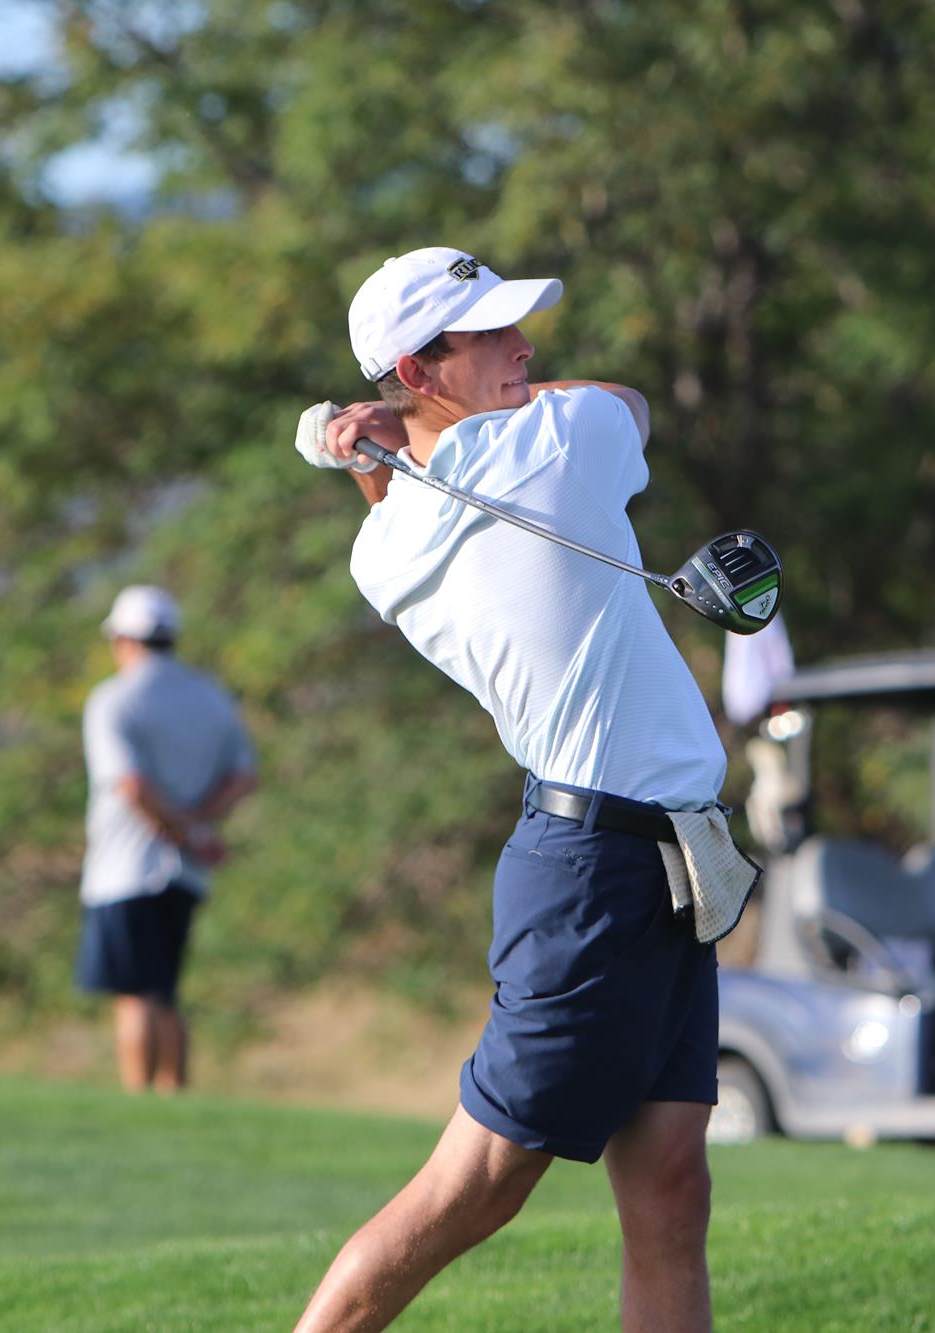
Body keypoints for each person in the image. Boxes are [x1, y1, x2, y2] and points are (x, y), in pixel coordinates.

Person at [289, 247, 748, 1332]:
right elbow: (621, 402)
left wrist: (369, 436)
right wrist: (394, 431)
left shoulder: (383, 545)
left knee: (672, 1189)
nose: (522, 346)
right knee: (476, 1185)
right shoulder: (560, 442)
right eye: (490, 334)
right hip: (593, 873)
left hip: (667, 864)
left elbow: (400, 495)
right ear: (417, 365)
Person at [76, 584, 258, 1093]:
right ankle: (173, 1092)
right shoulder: (210, 695)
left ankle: (141, 1099)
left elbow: (131, 785)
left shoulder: (113, 699)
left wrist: (182, 828)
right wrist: (199, 828)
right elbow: (243, 776)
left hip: (124, 867)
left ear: (124, 639)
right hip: (187, 868)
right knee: (164, 988)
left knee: (135, 993)